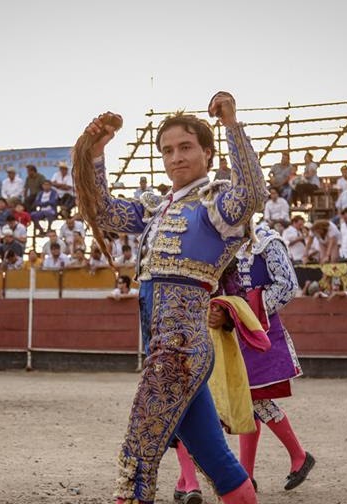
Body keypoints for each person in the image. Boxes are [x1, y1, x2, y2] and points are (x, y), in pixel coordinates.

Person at [82, 91, 264, 503]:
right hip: (164, 350)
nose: (176, 157)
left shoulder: (216, 203)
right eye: (167, 151)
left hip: (180, 351)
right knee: (216, 460)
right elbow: (103, 212)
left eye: (185, 147)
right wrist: (96, 152)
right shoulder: (157, 207)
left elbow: (252, 194)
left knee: (138, 456)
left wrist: (233, 125)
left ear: (207, 152)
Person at [207, 222, 313, 495]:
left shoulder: (266, 240)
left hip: (258, 330)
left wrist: (250, 312)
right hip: (234, 330)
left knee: (254, 397)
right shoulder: (219, 240)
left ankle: (297, 455)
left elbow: (288, 286)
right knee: (248, 399)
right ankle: (249, 472)